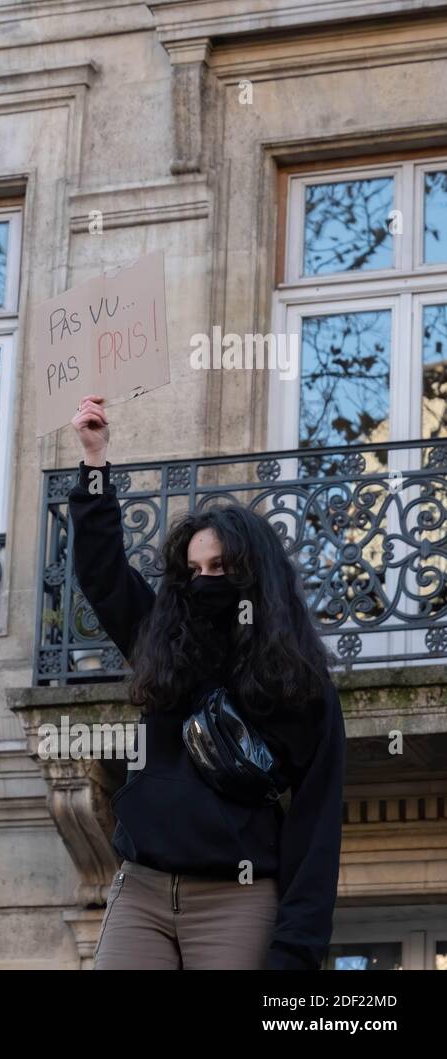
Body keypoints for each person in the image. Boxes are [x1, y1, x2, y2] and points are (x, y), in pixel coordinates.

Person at [69, 394, 345, 970]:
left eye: (219, 568)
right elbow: (101, 574)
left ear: (253, 575)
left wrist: (294, 955)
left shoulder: (300, 684)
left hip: (236, 899)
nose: (205, 581)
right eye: (193, 571)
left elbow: (316, 829)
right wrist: (94, 463)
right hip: (141, 889)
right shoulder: (162, 637)